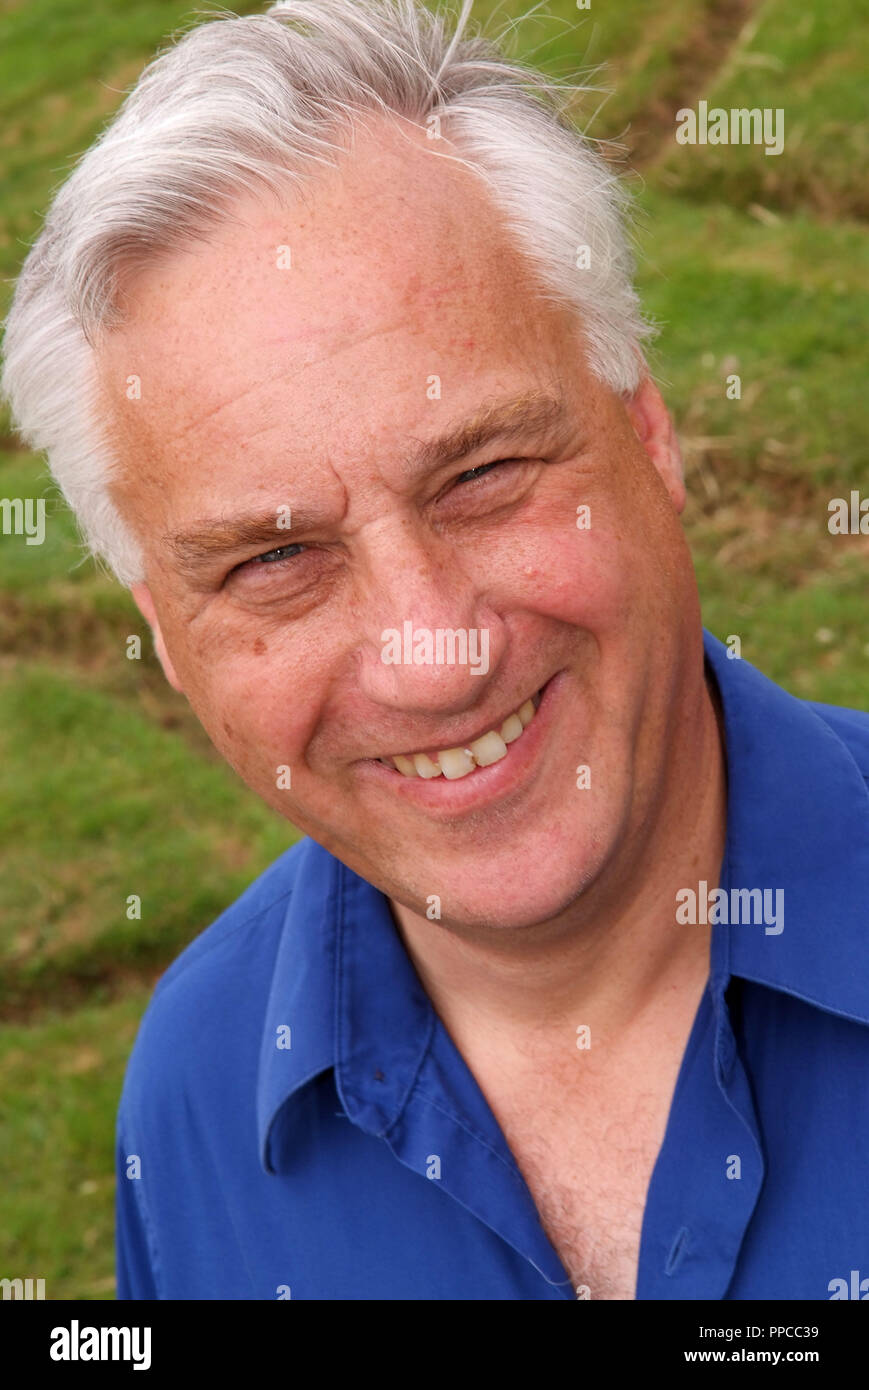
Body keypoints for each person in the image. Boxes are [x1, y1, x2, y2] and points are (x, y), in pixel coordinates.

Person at [2, 0, 867, 1302]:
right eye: (274, 559)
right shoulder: (194, 1091)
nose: (435, 654)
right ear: (168, 641)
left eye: (484, 474)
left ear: (648, 433)